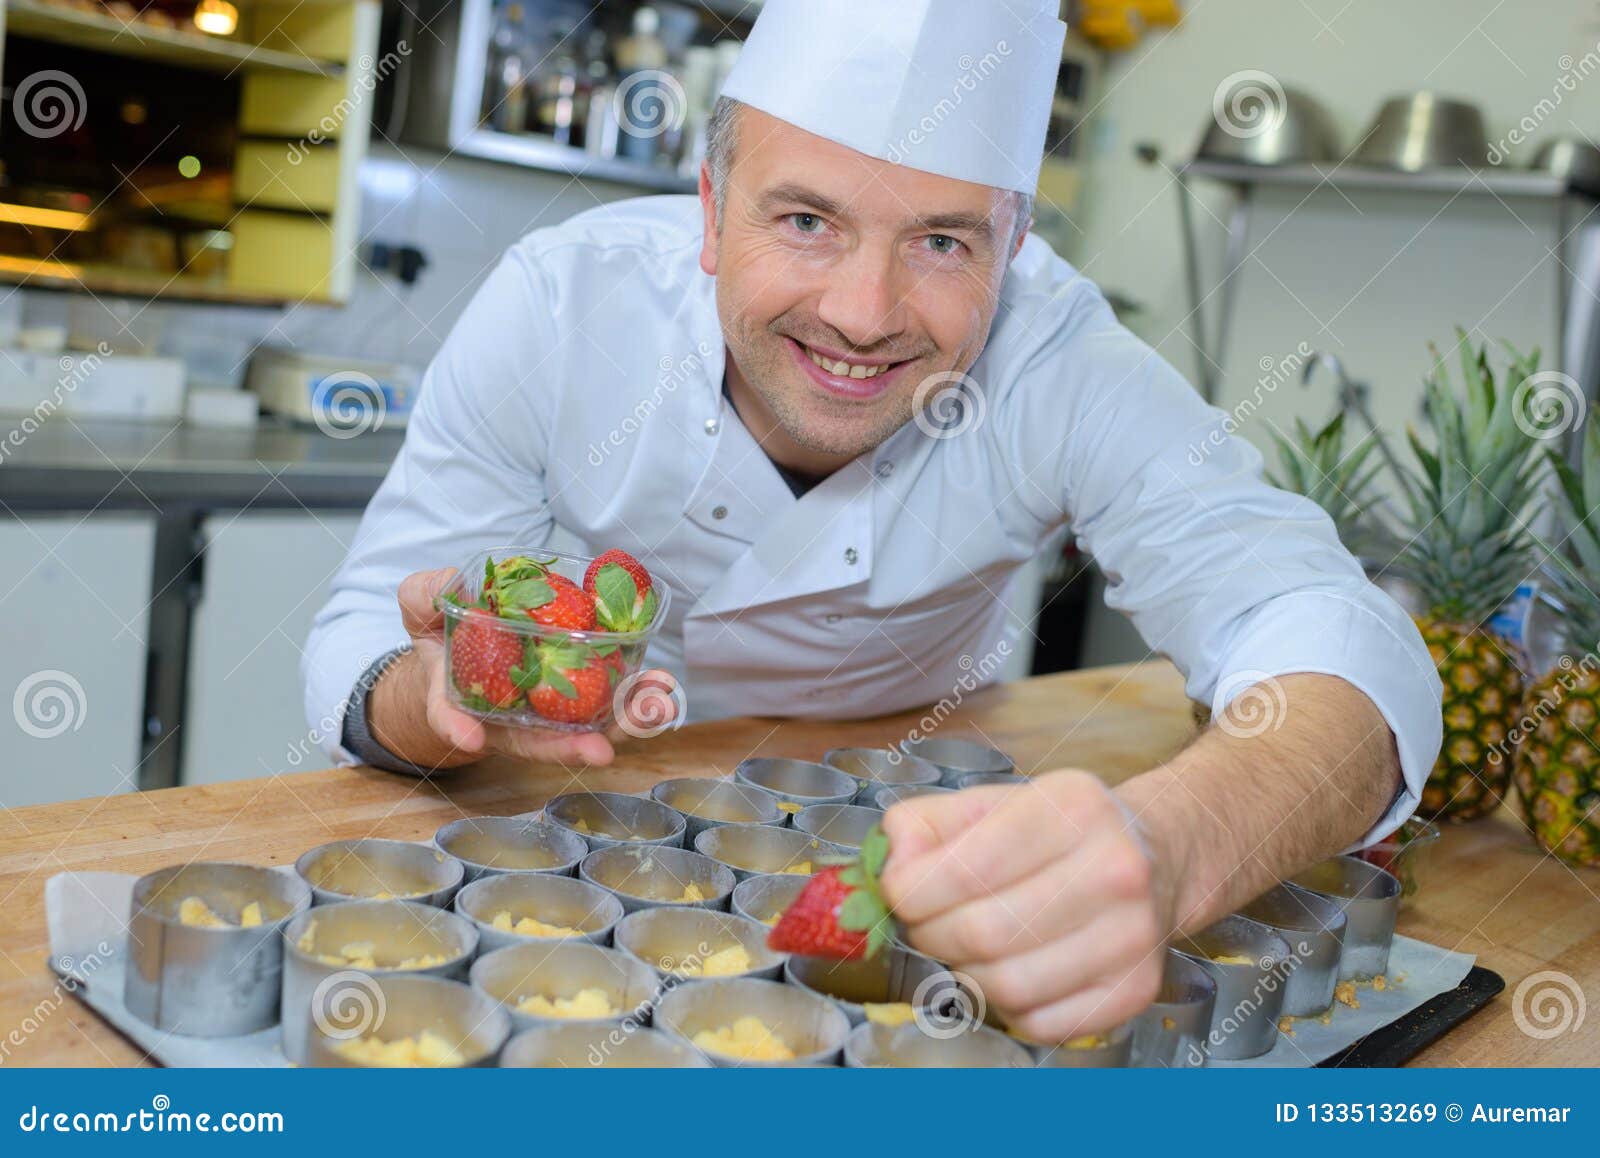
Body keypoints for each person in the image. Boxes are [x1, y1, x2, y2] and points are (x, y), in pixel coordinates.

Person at [305, 0, 1441, 1040]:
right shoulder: (564, 303)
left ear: (1013, 248)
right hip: (568, 853)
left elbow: (1328, 631)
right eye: (806, 220)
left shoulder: (1061, 363)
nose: (862, 315)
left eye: (943, 242)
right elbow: (370, 634)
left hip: (909, 845)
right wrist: (438, 697)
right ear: (712, 212)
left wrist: (1172, 845)